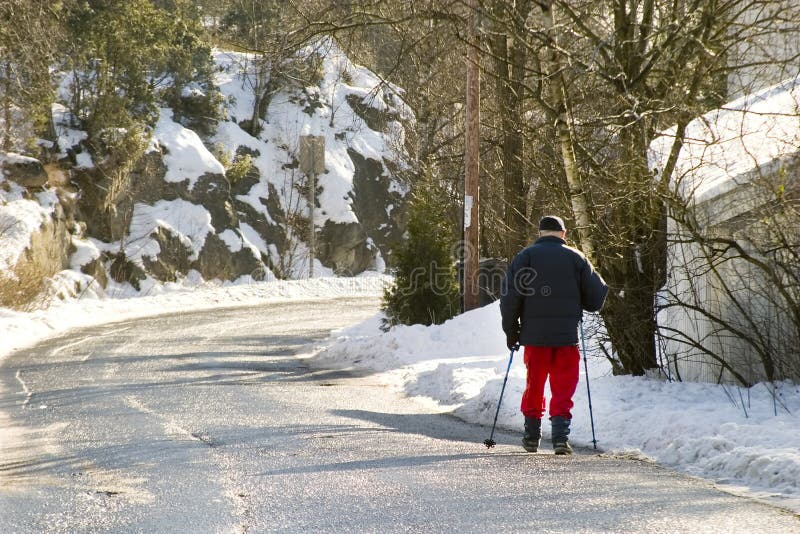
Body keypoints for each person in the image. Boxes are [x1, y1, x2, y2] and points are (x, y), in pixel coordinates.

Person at [500, 215, 608, 455]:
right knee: (563, 387)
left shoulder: (525, 257)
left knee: (534, 385)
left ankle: (531, 437)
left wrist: (511, 330)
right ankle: (560, 439)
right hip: (566, 338)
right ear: (564, 233)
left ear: (539, 233)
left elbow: (509, 297)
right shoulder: (576, 258)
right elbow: (597, 296)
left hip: (534, 339)